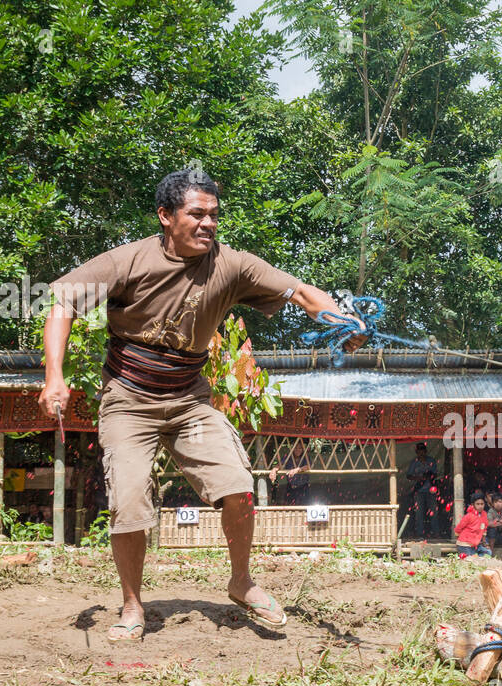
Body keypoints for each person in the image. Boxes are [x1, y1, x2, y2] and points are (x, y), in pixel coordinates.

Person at [38, 168, 365, 642]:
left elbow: (302, 293)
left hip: (189, 401)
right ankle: (132, 605)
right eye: (196, 213)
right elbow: (63, 301)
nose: (208, 223)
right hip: (128, 401)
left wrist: (341, 319)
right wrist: (54, 377)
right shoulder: (127, 261)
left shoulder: (232, 265)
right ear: (166, 216)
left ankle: (241, 581)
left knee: (237, 485)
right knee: (130, 504)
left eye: (214, 214)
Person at [405, 442, 441, 539]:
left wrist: (428, 476)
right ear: (417, 452)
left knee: (433, 512)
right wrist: (418, 478)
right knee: (419, 513)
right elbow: (408, 475)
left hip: (431, 490)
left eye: (422, 451)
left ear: (425, 451)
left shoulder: (431, 461)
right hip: (419, 490)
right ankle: (420, 534)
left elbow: (435, 474)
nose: (421, 453)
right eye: (419, 451)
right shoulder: (414, 462)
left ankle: (435, 532)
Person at [268, 437, 311, 506]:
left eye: (300, 448)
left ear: (303, 449)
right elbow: (280, 464)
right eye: (296, 448)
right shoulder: (288, 456)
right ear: (292, 448)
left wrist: (297, 469)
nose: (298, 450)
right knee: (290, 508)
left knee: (304, 508)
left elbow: (308, 466)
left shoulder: (305, 457)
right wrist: (274, 470)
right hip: (291, 487)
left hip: (303, 487)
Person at [455, 491, 490, 557]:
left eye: (482, 504)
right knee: (470, 560)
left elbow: (484, 528)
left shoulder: (484, 514)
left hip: (476, 544)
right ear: (473, 504)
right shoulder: (469, 516)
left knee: (488, 553)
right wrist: (459, 539)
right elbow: (458, 528)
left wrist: (484, 542)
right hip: (464, 544)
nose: (480, 506)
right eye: (478, 504)